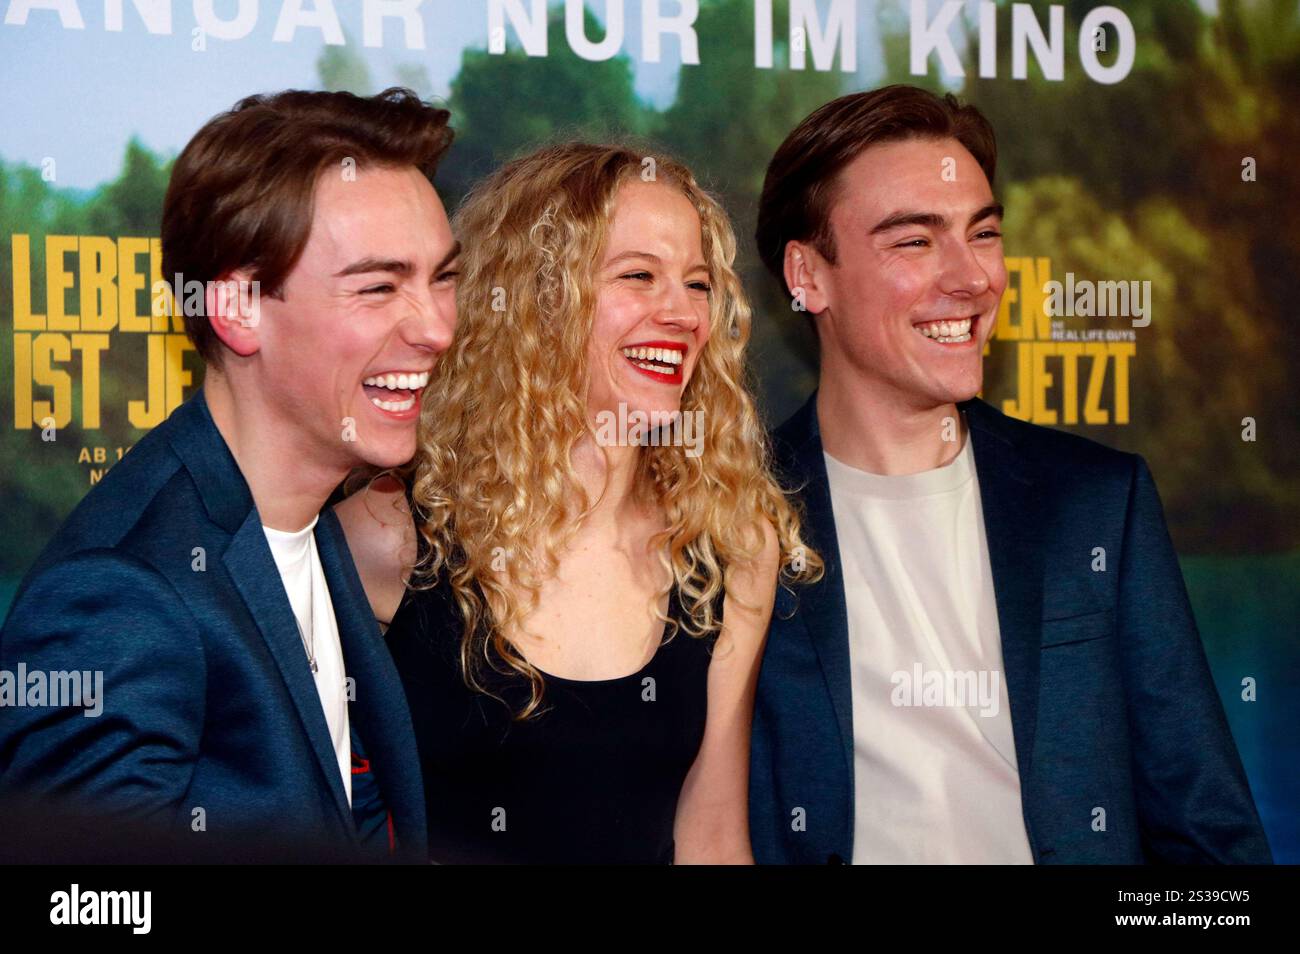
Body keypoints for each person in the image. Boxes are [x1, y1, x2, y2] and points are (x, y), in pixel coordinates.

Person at [748, 85, 1272, 865]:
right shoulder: (729, 511)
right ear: (808, 275)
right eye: (914, 241)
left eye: (982, 233)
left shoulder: (1096, 505)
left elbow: (1212, 846)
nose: (970, 278)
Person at [0, 88, 457, 863]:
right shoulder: (120, 594)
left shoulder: (307, 524)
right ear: (238, 308)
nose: (437, 327)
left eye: (443, 277)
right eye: (380, 287)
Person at [337, 142, 821, 864]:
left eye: (697, 284)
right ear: (538, 296)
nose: (682, 313)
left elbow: (713, 837)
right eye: (638, 276)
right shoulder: (390, 535)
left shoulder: (733, 547)